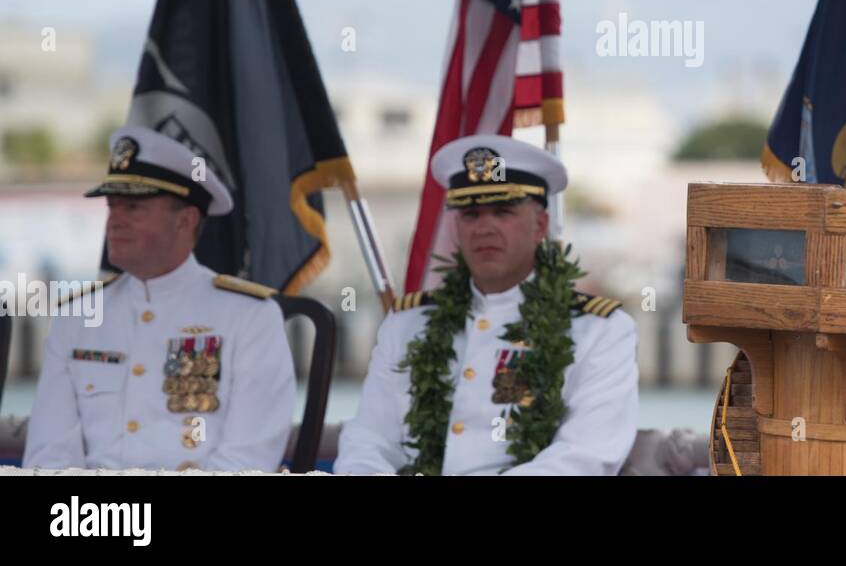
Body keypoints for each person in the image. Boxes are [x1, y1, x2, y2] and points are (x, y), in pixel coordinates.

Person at [336, 135, 638, 475]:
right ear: (457, 226)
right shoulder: (408, 322)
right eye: (471, 214)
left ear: (540, 225)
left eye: (502, 212)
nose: (484, 228)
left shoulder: (599, 329)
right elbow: (370, 438)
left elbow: (585, 456)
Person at [23, 126, 296, 472]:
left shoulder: (250, 316)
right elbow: (49, 456)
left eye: (133, 207)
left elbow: (246, 461)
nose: (114, 221)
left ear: (185, 221)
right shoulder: (77, 316)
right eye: (112, 206)